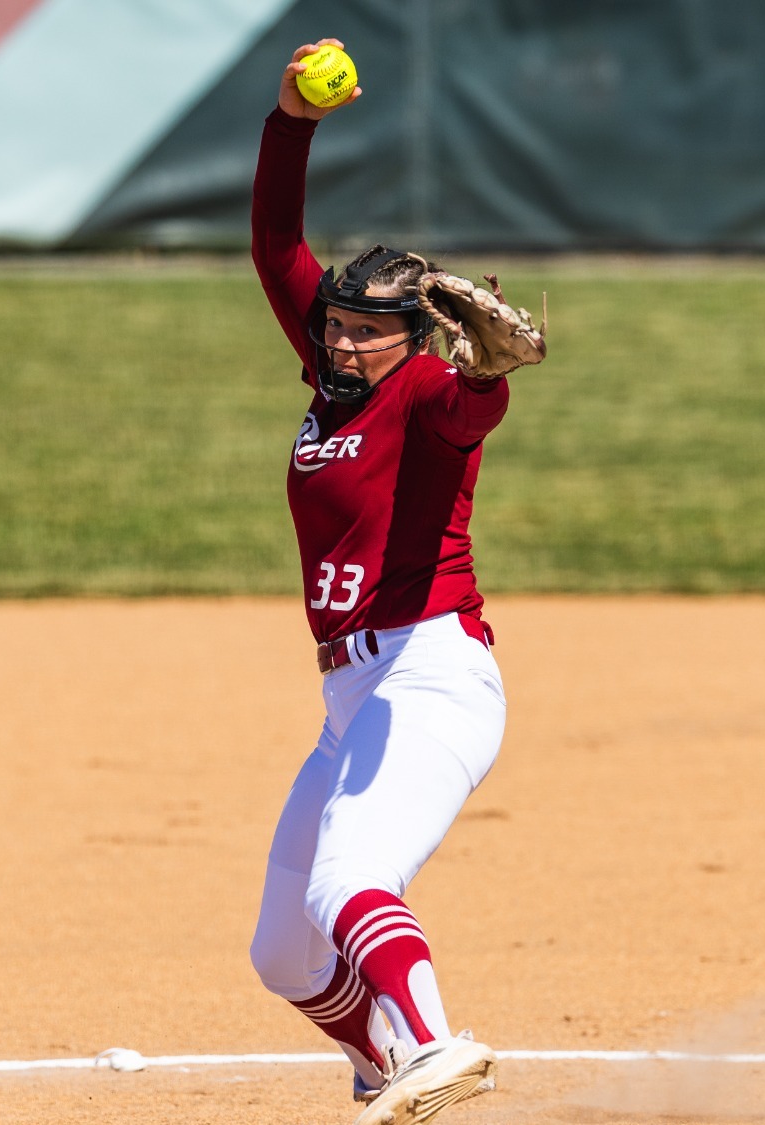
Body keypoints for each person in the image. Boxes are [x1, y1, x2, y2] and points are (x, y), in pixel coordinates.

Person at [247, 38, 529, 1125]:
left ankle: (434, 1045)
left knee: (345, 884)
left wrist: (486, 378)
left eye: (368, 332)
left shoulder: (427, 394)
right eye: (335, 325)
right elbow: (277, 244)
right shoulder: (332, 377)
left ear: (417, 340)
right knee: (283, 950)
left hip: (431, 674)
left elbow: (474, 413)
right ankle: (381, 1062)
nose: (343, 343)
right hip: (350, 699)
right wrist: (291, 121)